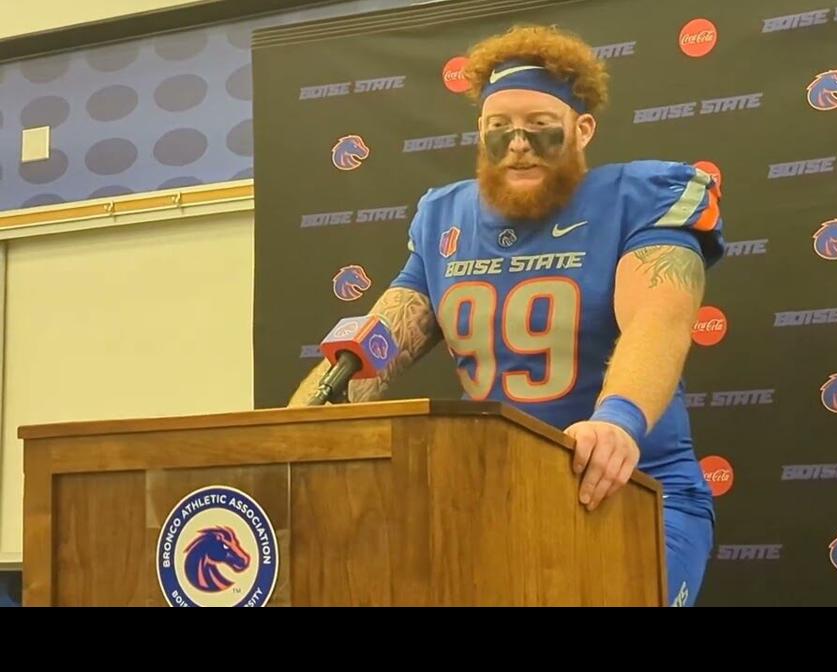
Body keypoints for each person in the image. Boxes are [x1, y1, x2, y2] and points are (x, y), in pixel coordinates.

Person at [288, 24, 724, 607]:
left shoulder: (643, 196)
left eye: (540, 127)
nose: (518, 143)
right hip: (499, 494)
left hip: (632, 487)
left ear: (581, 128)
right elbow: (377, 349)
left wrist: (616, 422)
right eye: (500, 129)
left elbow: (658, 320)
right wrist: (289, 438)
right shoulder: (446, 219)